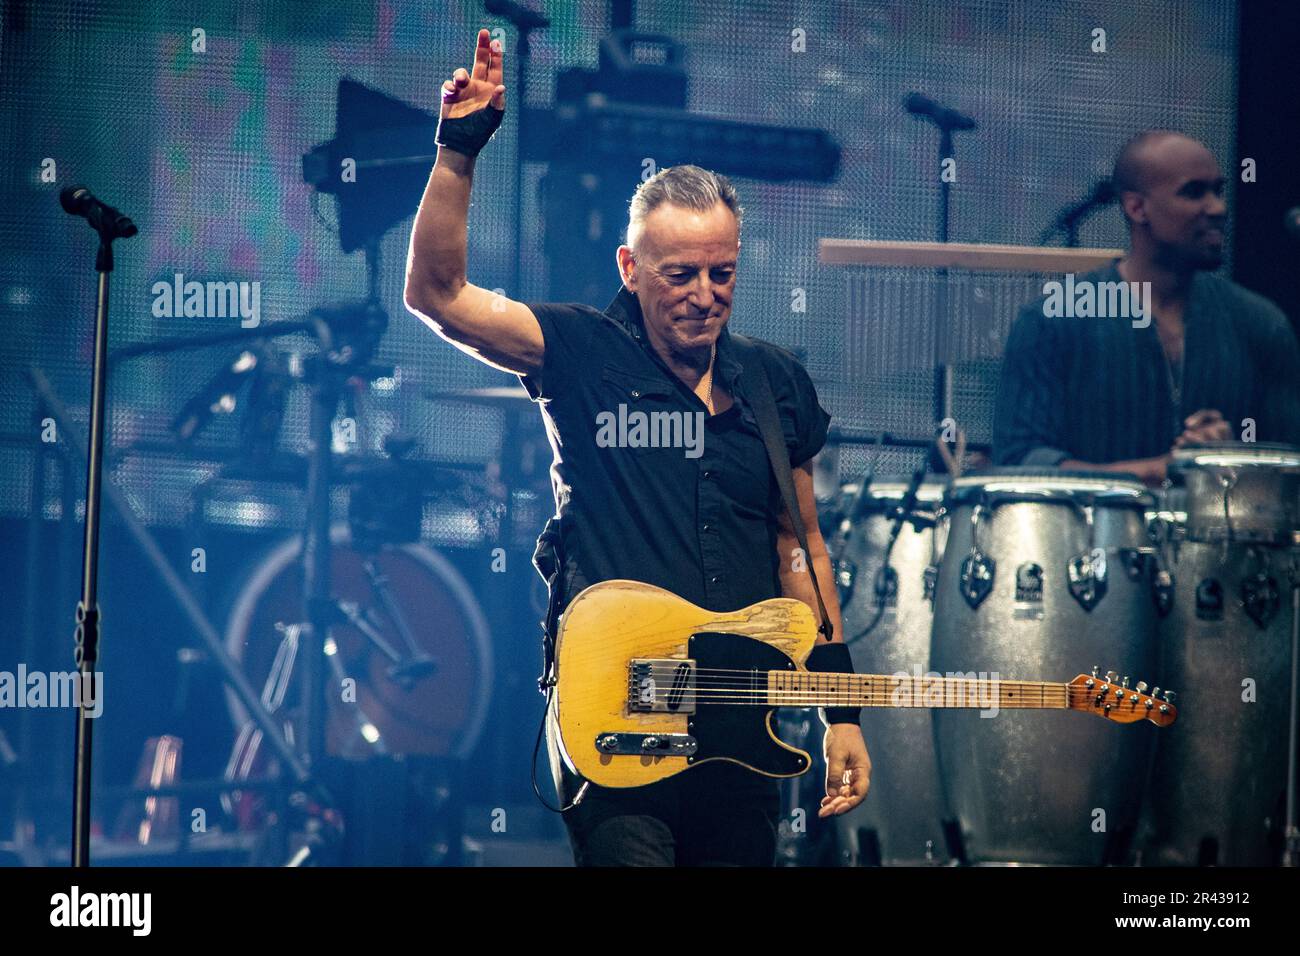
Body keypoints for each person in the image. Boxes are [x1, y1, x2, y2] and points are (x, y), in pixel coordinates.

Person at [403, 28, 870, 866]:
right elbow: (438, 295)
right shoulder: (584, 353)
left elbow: (801, 549)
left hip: (740, 735)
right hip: (622, 723)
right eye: (678, 274)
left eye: (721, 273)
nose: (704, 295)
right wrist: (458, 153)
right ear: (630, 266)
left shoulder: (774, 383)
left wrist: (842, 713)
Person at [993, 130, 1300, 482]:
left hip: (1223, 520)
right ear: (1136, 207)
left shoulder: (1259, 323)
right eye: (1193, 192)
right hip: (1091, 521)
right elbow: (1021, 462)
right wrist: (1166, 470)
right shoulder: (1053, 319)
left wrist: (1230, 457)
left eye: (1218, 191)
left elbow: (1289, 468)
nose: (1218, 208)